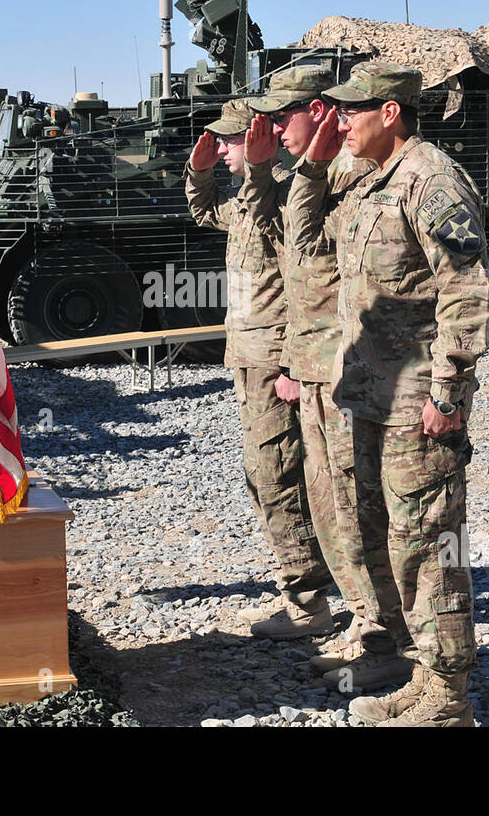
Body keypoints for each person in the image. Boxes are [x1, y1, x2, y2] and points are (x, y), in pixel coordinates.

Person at [294, 61, 489, 726]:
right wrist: (311, 164)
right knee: (393, 545)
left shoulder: (430, 179)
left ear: (393, 113)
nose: (341, 119)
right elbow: (308, 247)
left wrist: (450, 392)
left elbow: (467, 289)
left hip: (418, 407)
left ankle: (449, 698)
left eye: (354, 109)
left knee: (431, 549)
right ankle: (423, 674)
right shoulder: (367, 181)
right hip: (375, 402)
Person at [243, 66, 410, 690]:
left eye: (282, 118)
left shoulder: (361, 174)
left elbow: (357, 284)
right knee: (330, 503)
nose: (274, 130)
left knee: (361, 508)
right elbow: (292, 265)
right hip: (316, 368)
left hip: (350, 372)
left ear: (318, 110)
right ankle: (367, 622)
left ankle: (387, 636)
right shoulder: (320, 175)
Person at [184, 98, 334, 639]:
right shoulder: (250, 205)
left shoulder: (283, 197)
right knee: (264, 475)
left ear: (260, 142)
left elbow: (304, 285)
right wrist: (200, 172)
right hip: (251, 358)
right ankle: (309, 587)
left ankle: (309, 601)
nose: (222, 150)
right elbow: (205, 213)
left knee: (278, 476)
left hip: (275, 359)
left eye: (230, 142)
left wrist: (293, 363)